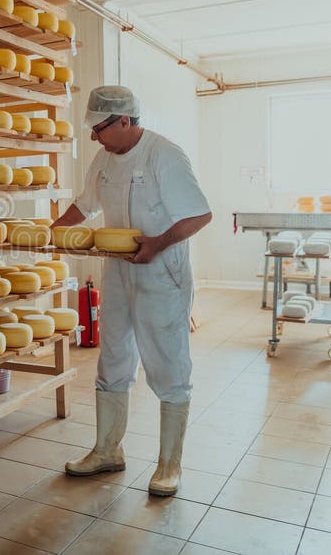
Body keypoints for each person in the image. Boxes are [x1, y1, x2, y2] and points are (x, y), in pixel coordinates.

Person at [54, 85, 212, 496]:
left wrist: (157, 244)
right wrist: (53, 230)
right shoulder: (104, 157)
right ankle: (108, 450)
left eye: (99, 128)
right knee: (113, 357)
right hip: (120, 272)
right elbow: (84, 204)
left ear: (125, 121)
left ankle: (169, 465)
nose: (94, 137)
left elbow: (200, 213)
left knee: (167, 362)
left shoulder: (165, 154)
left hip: (162, 272)